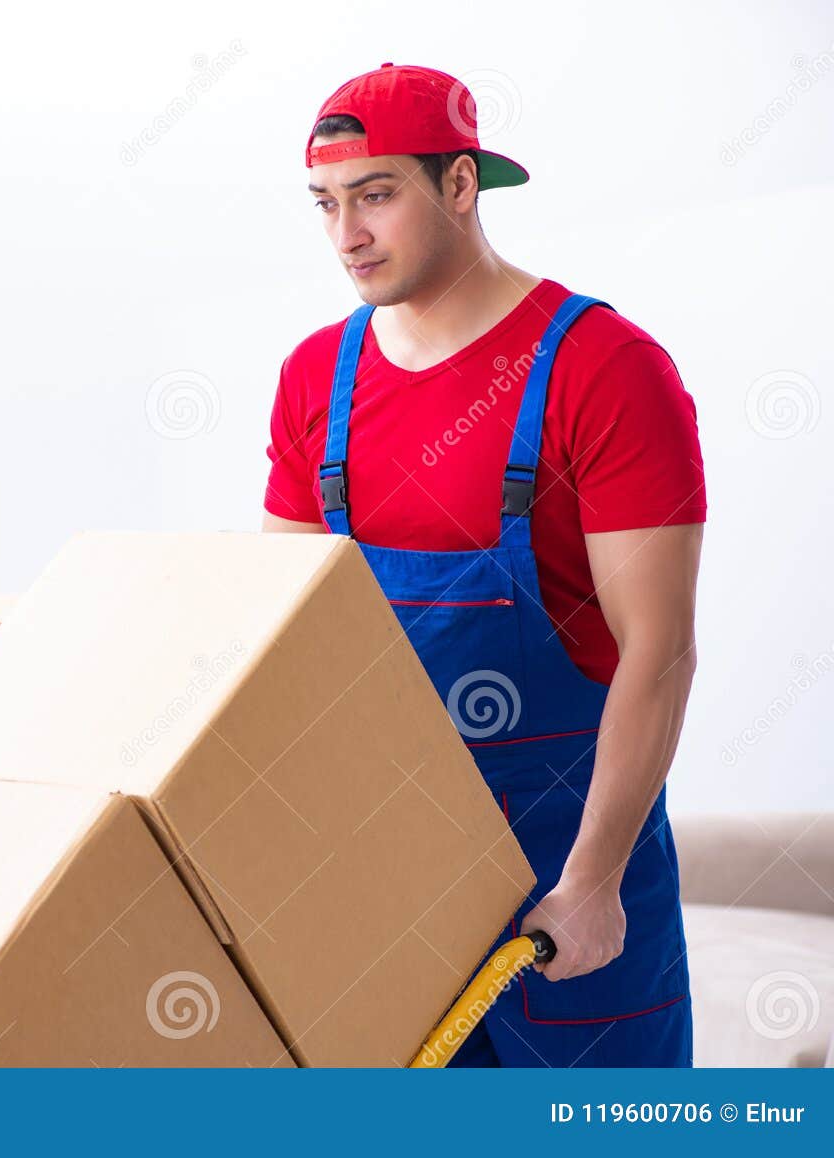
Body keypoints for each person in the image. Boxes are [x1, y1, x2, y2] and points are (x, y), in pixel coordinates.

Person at [262, 63, 706, 1066]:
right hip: (384, 912)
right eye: (326, 205)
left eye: (376, 195)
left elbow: (661, 651)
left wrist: (591, 881)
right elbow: (284, 650)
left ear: (459, 185)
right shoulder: (312, 384)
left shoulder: (603, 368)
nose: (347, 236)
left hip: (569, 909)